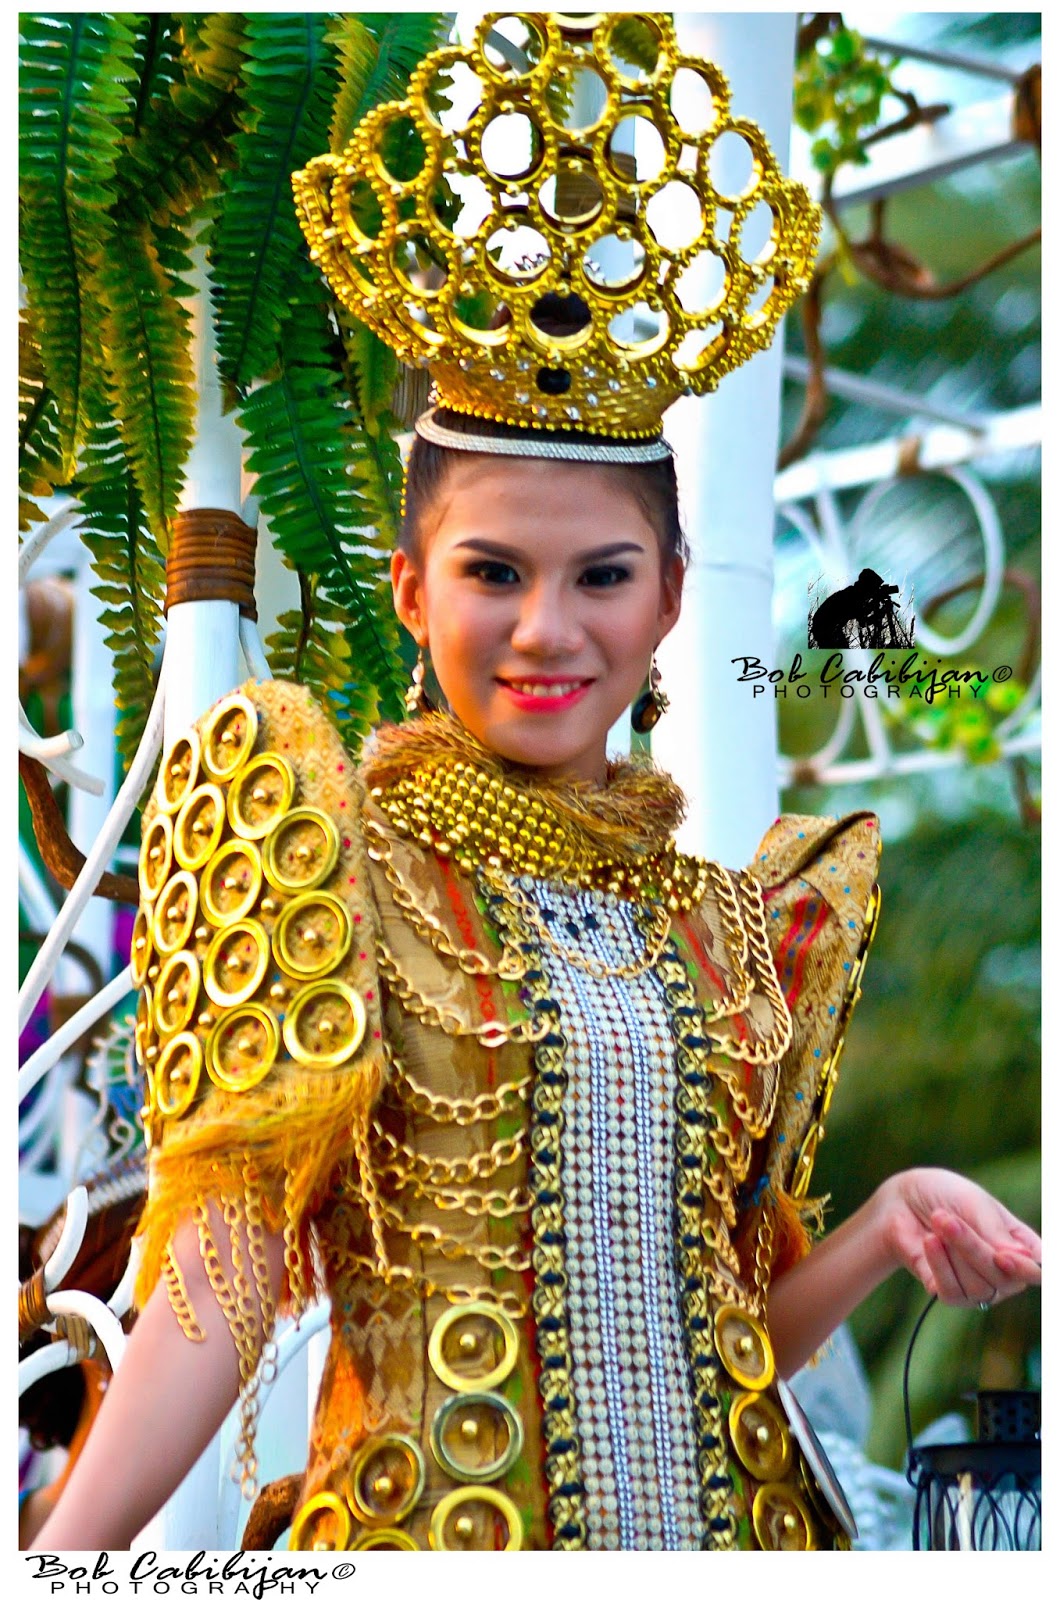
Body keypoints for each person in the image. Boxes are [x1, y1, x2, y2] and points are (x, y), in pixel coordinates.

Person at [31, 12, 1040, 1555]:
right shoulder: (332, 859)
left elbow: (733, 1332)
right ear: (411, 591)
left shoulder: (734, 924)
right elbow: (225, 1267)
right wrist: (61, 1567)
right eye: (494, 572)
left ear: (672, 603)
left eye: (604, 577)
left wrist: (886, 1221)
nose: (550, 630)